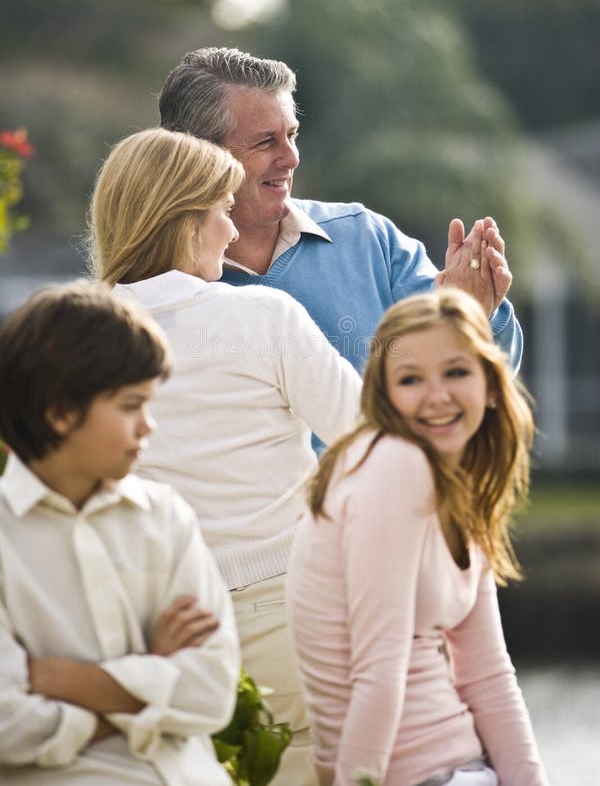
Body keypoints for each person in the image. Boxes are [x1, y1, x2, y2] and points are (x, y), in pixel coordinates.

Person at [88, 127, 362, 786]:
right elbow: (374, 440)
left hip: (156, 637)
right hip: (295, 618)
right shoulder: (266, 318)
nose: (233, 233)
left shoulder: (78, 337)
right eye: (220, 210)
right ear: (181, 218)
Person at [286, 286, 549, 786]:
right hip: (409, 773)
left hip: (464, 766)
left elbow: (487, 673)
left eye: (456, 372)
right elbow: (376, 673)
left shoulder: (457, 483)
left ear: (490, 385)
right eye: (410, 380)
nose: (437, 397)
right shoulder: (392, 466)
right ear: (384, 398)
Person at [0, 281, 240, 785]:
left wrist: (70, 682)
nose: (148, 427)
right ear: (60, 412)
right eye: (131, 406)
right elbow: (8, 722)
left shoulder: (166, 516)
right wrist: (151, 679)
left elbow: (213, 691)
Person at [158, 46, 523, 377]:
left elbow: (490, 371)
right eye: (266, 142)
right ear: (197, 153)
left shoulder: (367, 238)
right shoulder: (149, 283)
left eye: (293, 136)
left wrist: (475, 313)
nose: (292, 158)